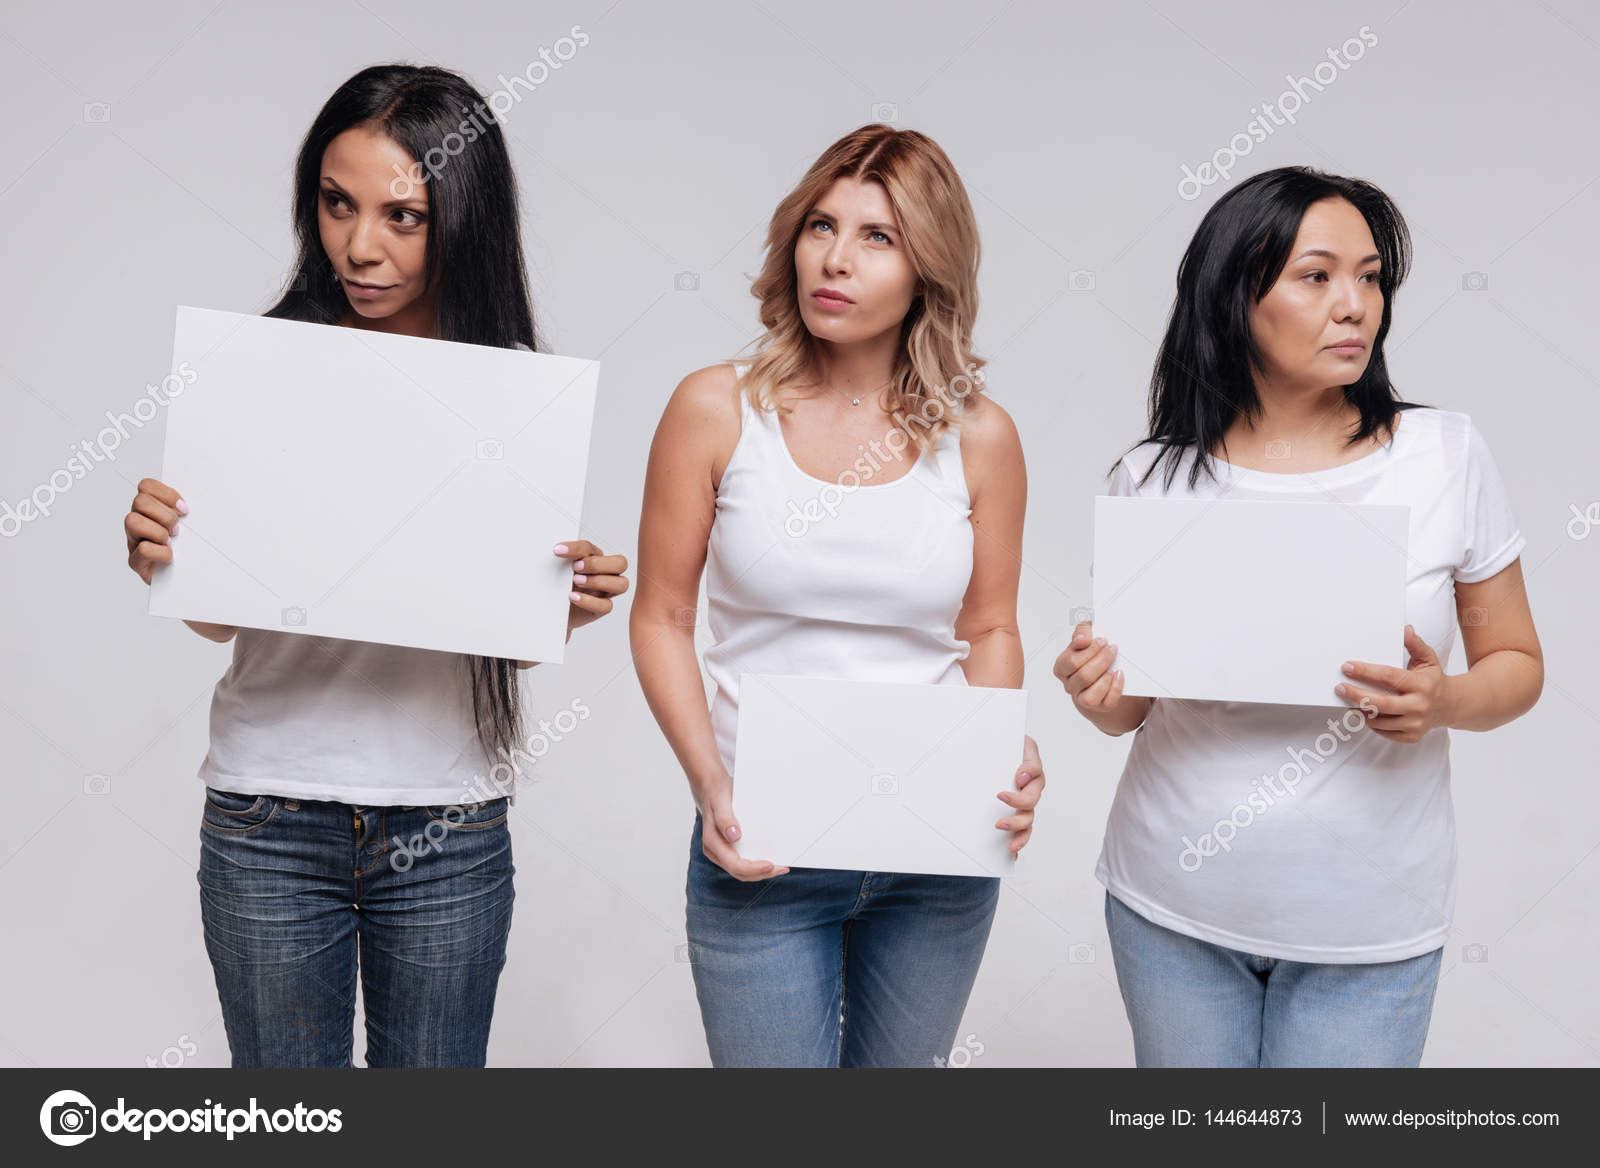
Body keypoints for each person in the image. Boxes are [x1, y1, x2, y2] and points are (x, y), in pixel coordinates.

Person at [122, 64, 629, 1068]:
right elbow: (221, 620)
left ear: (464, 219)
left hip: (447, 813)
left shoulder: (515, 394)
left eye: (404, 216)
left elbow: (499, 638)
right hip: (269, 808)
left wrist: (559, 607)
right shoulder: (263, 366)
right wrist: (166, 557)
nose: (360, 245)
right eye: (337, 204)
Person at [1056, 165, 1543, 1067]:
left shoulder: (1445, 455)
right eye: (1317, 276)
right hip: (1172, 905)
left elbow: (1516, 661)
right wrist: (1093, 689)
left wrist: (1441, 702)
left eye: (1370, 277)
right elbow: (1128, 708)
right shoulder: (1154, 477)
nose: (1355, 304)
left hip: (1372, 923)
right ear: (1235, 293)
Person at [630, 124, 1043, 1068]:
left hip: (933, 856)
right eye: (822, 226)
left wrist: (1000, 754)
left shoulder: (981, 437)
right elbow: (659, 617)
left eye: (878, 238)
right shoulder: (715, 407)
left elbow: (989, 626)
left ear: (927, 269)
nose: (837, 259)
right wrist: (711, 787)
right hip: (762, 846)